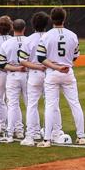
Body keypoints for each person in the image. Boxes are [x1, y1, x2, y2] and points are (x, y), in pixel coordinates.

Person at [39, 7, 85, 144]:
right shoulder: (72, 35)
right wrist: (64, 64)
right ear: (64, 19)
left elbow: (41, 58)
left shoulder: (46, 36)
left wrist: (56, 66)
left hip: (52, 72)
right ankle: (81, 136)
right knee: (75, 104)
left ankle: (47, 139)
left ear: (51, 19)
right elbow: (75, 56)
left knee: (50, 106)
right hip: (67, 72)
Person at [22, 12, 50, 146]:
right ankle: (54, 132)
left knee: (32, 104)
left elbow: (23, 60)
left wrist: (38, 67)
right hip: (50, 72)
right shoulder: (51, 36)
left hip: (34, 73)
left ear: (33, 24)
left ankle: (31, 135)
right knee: (51, 104)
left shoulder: (28, 40)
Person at [0, 19, 29, 144]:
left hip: (12, 75)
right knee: (30, 104)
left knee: (12, 105)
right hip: (28, 75)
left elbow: (1, 64)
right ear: (24, 28)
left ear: (13, 28)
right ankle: (32, 131)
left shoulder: (6, 43)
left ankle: (10, 133)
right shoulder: (29, 41)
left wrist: (16, 68)